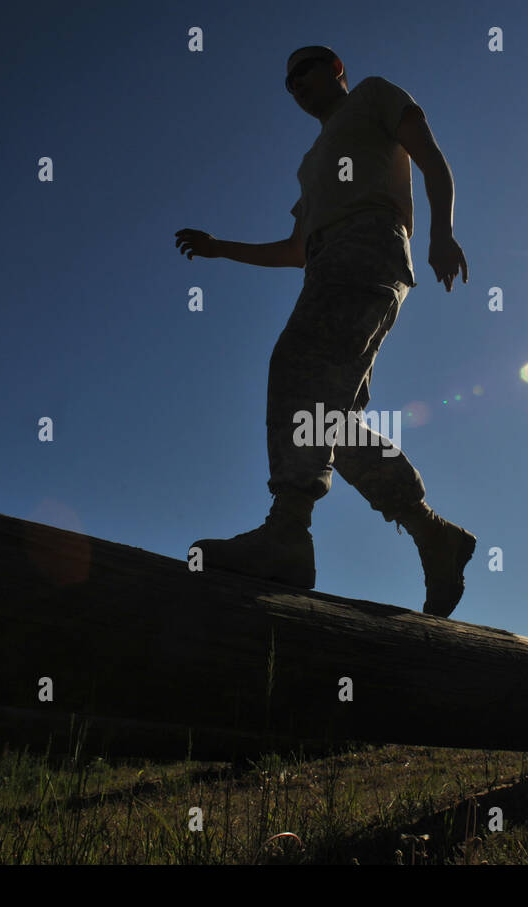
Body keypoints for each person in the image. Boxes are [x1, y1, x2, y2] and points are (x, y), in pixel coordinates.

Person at [175, 45, 475, 617]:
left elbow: (431, 156)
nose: (295, 86)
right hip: (326, 262)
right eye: (287, 83)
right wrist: (219, 250)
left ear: (335, 68)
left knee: (294, 369)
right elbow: (294, 249)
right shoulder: (313, 161)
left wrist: (442, 231)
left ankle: (288, 532)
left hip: (370, 245)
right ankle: (434, 535)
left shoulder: (373, 97)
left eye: (303, 72)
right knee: (328, 418)